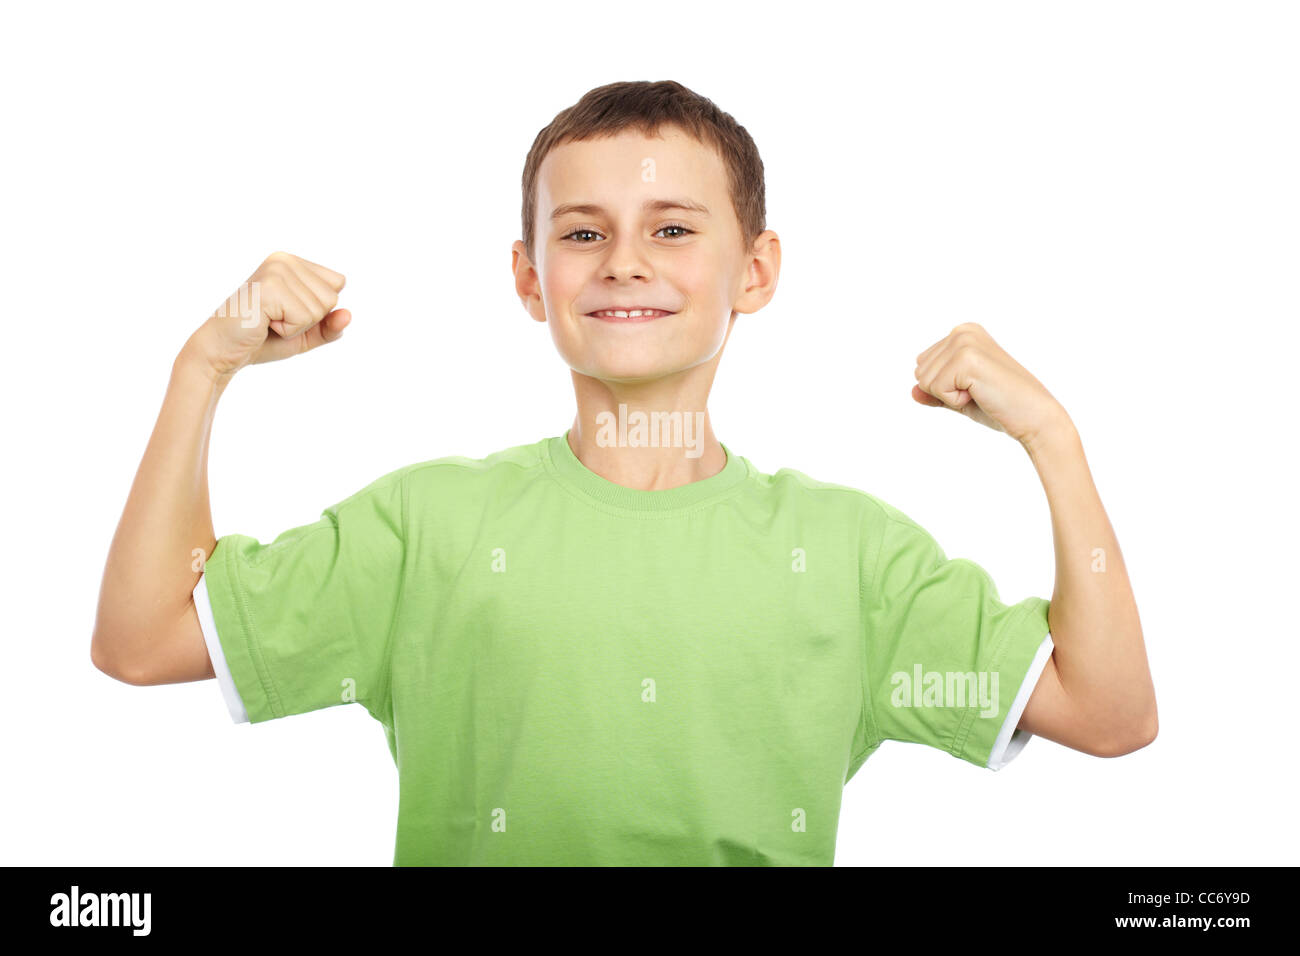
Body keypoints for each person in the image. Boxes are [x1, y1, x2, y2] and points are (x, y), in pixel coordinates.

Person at [91, 79, 1157, 866]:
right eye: (584, 231)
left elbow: (1106, 714)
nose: (626, 262)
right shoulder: (428, 526)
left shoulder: (852, 553)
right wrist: (204, 368)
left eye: (674, 228)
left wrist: (1052, 438)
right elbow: (142, 639)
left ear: (755, 270)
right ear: (528, 275)